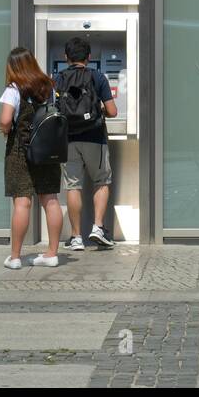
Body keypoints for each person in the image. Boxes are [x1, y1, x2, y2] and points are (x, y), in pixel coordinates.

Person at [0, 47, 64, 269]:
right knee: (51, 199)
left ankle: (15, 257)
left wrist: (3, 129)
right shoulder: (47, 86)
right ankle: (52, 254)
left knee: (22, 201)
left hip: (21, 150)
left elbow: (7, 119)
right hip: (47, 149)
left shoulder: (14, 89)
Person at [56, 36, 117, 250]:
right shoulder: (98, 77)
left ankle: (76, 237)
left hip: (69, 139)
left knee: (73, 185)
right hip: (94, 137)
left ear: (66, 57)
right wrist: (96, 111)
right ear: (89, 57)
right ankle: (98, 228)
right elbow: (112, 111)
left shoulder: (59, 78)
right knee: (101, 180)